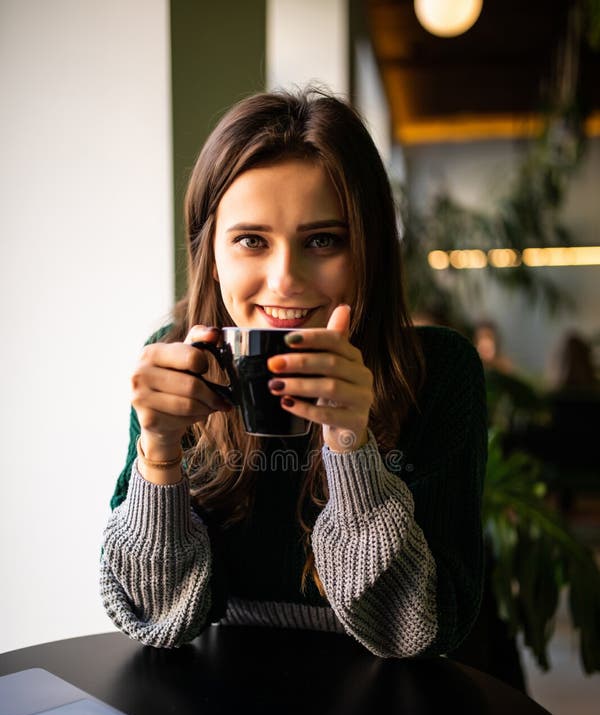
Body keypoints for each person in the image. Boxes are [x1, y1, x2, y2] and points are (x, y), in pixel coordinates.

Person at [101, 87, 488, 659]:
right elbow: (157, 619)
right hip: (215, 705)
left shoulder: (437, 372)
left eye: (324, 240)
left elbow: (419, 629)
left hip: (386, 712)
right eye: (251, 240)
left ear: (370, 251)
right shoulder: (173, 359)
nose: (285, 279)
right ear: (212, 253)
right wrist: (160, 453)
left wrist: (351, 445)